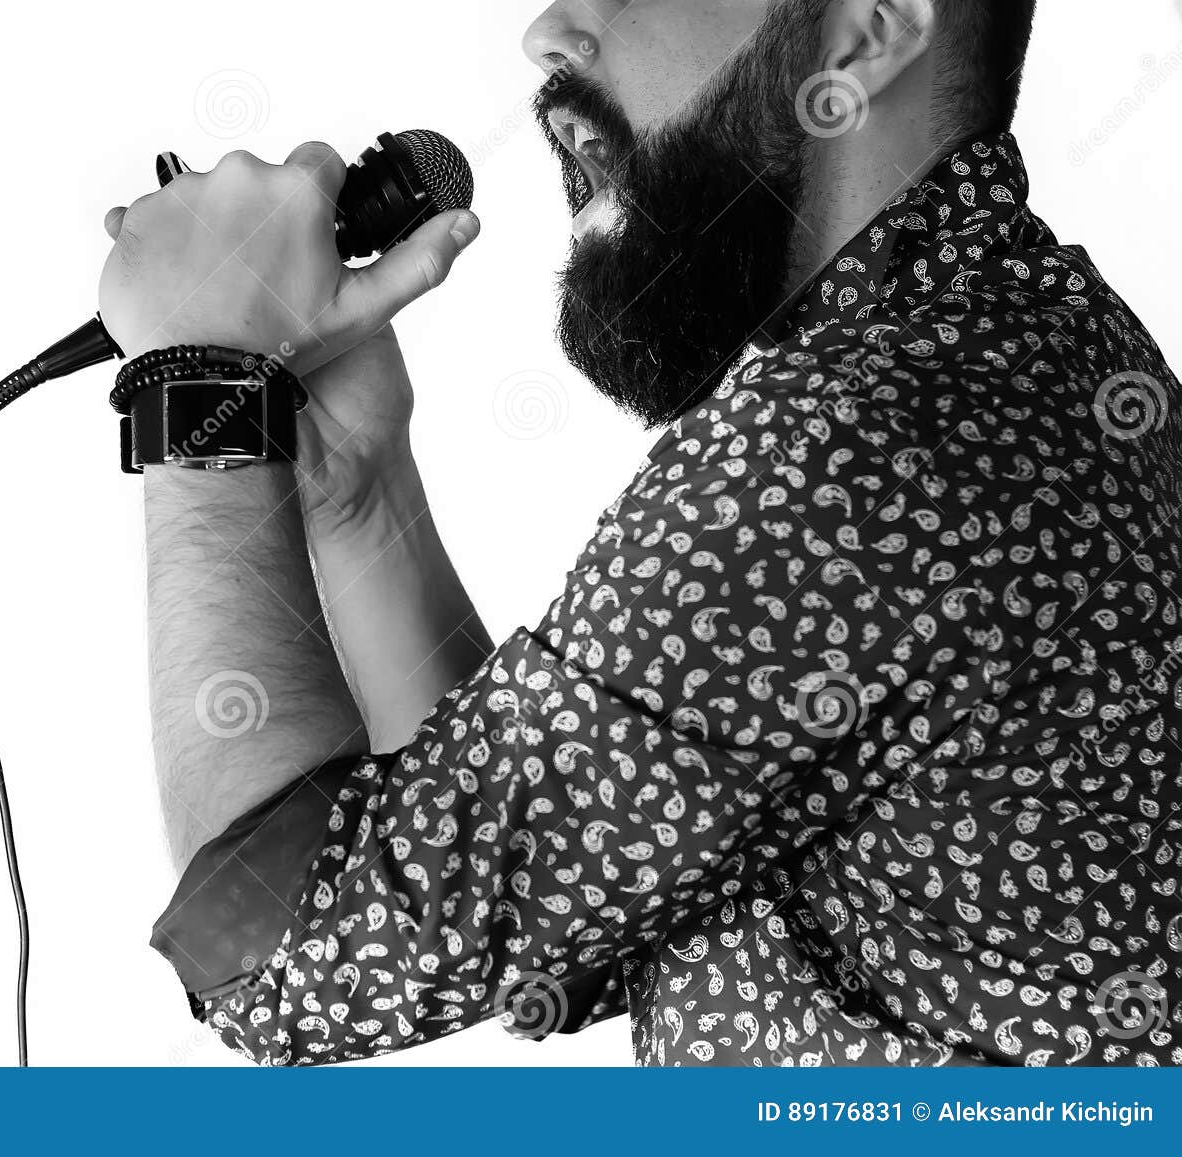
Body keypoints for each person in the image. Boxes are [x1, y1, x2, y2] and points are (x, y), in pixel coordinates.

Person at [99, 0, 1181, 1065]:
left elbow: (287, 951)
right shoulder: (1016, 339)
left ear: (869, 29)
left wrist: (198, 378)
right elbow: (549, 881)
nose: (546, 33)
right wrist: (356, 487)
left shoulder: (854, 441)